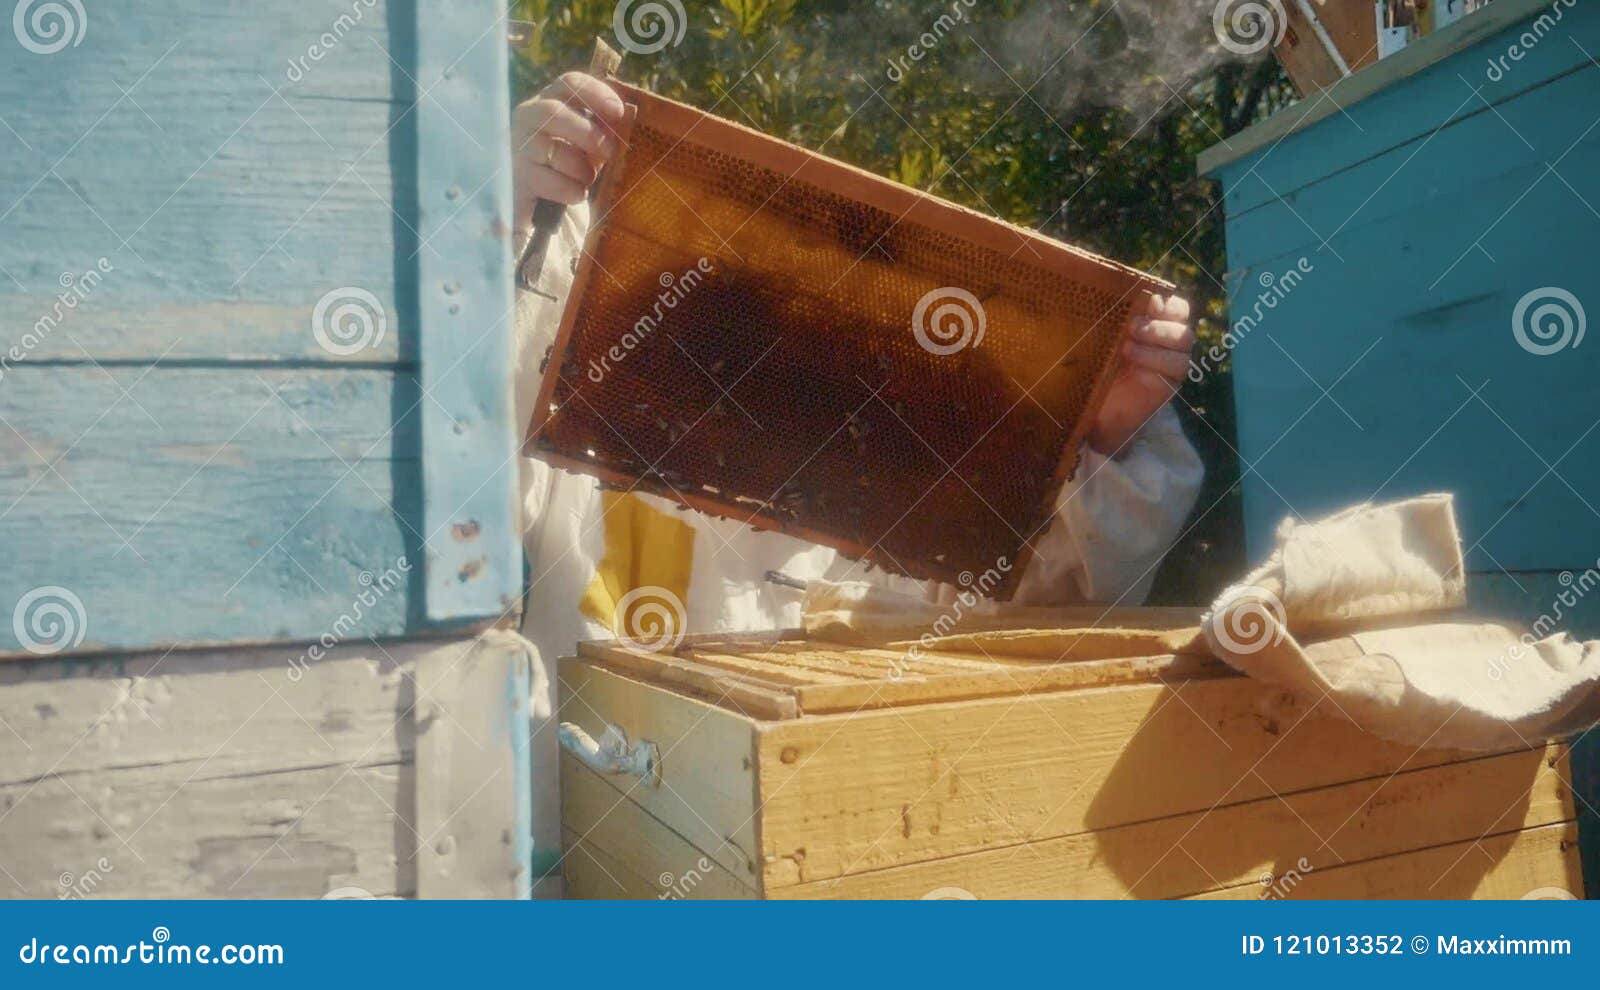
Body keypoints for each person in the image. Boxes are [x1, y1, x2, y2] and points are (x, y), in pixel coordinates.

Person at [513, 72, 1204, 892]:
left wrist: (1104, 434)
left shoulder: (912, 495)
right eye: (741, 337)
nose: (773, 374)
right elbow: (444, 455)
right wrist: (507, 221)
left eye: (802, 352)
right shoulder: (576, 449)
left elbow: (1051, 616)